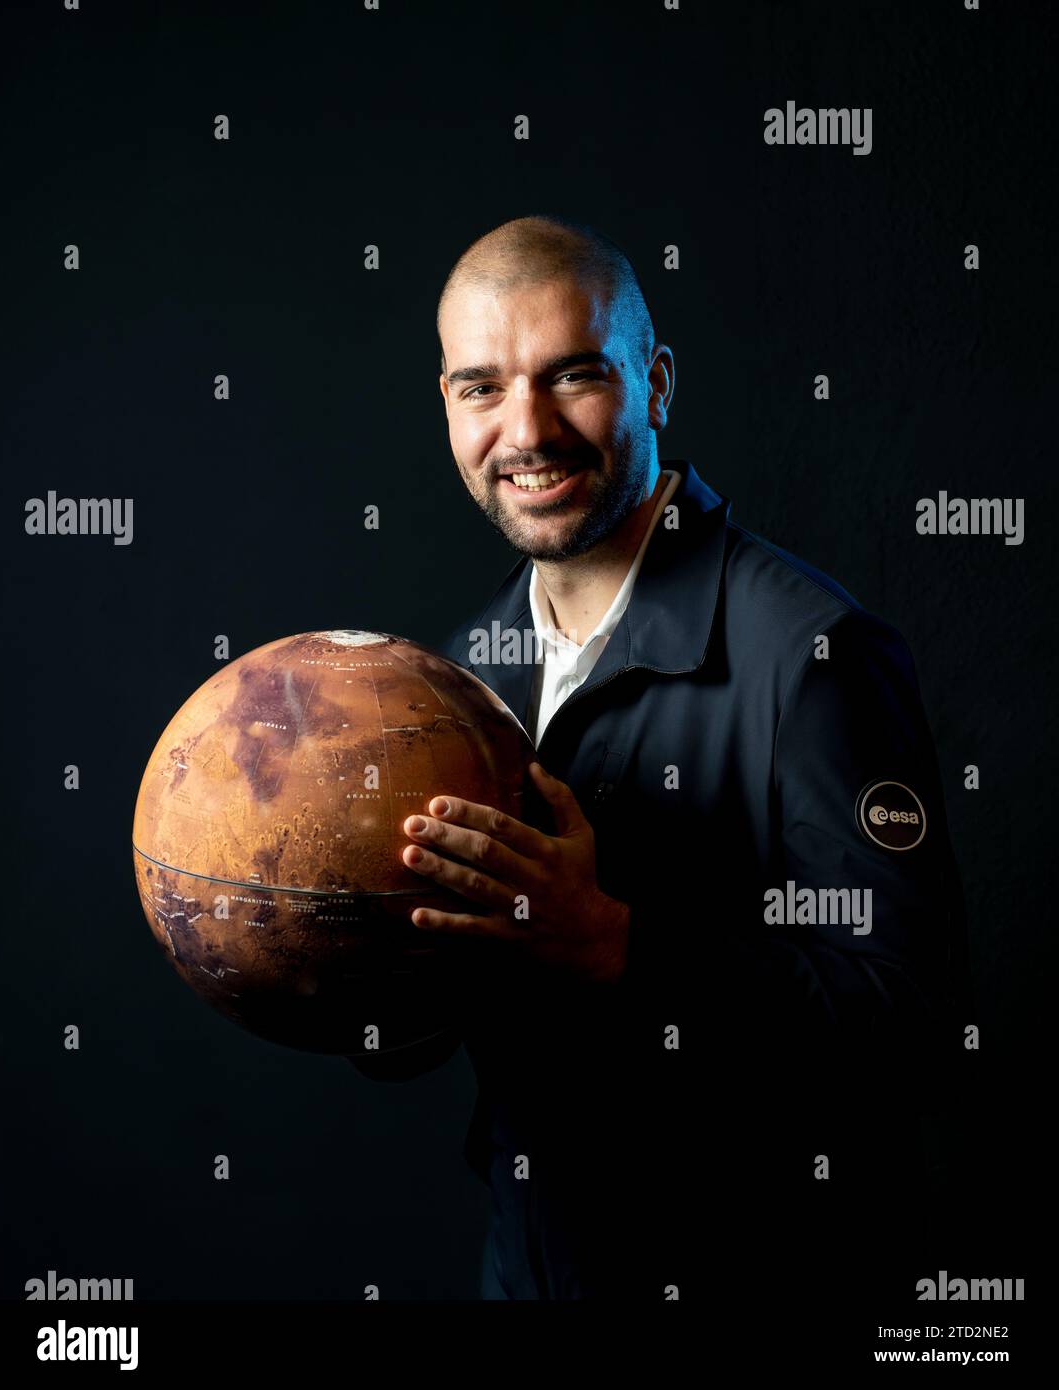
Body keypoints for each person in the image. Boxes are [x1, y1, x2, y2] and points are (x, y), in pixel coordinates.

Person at [349, 215, 966, 1304]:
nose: (526, 429)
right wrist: (339, 950)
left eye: (573, 375)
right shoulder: (461, 680)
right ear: (446, 403)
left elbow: (909, 1019)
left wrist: (615, 942)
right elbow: (428, 1020)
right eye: (480, 387)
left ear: (656, 381)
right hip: (529, 1268)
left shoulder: (811, 655)